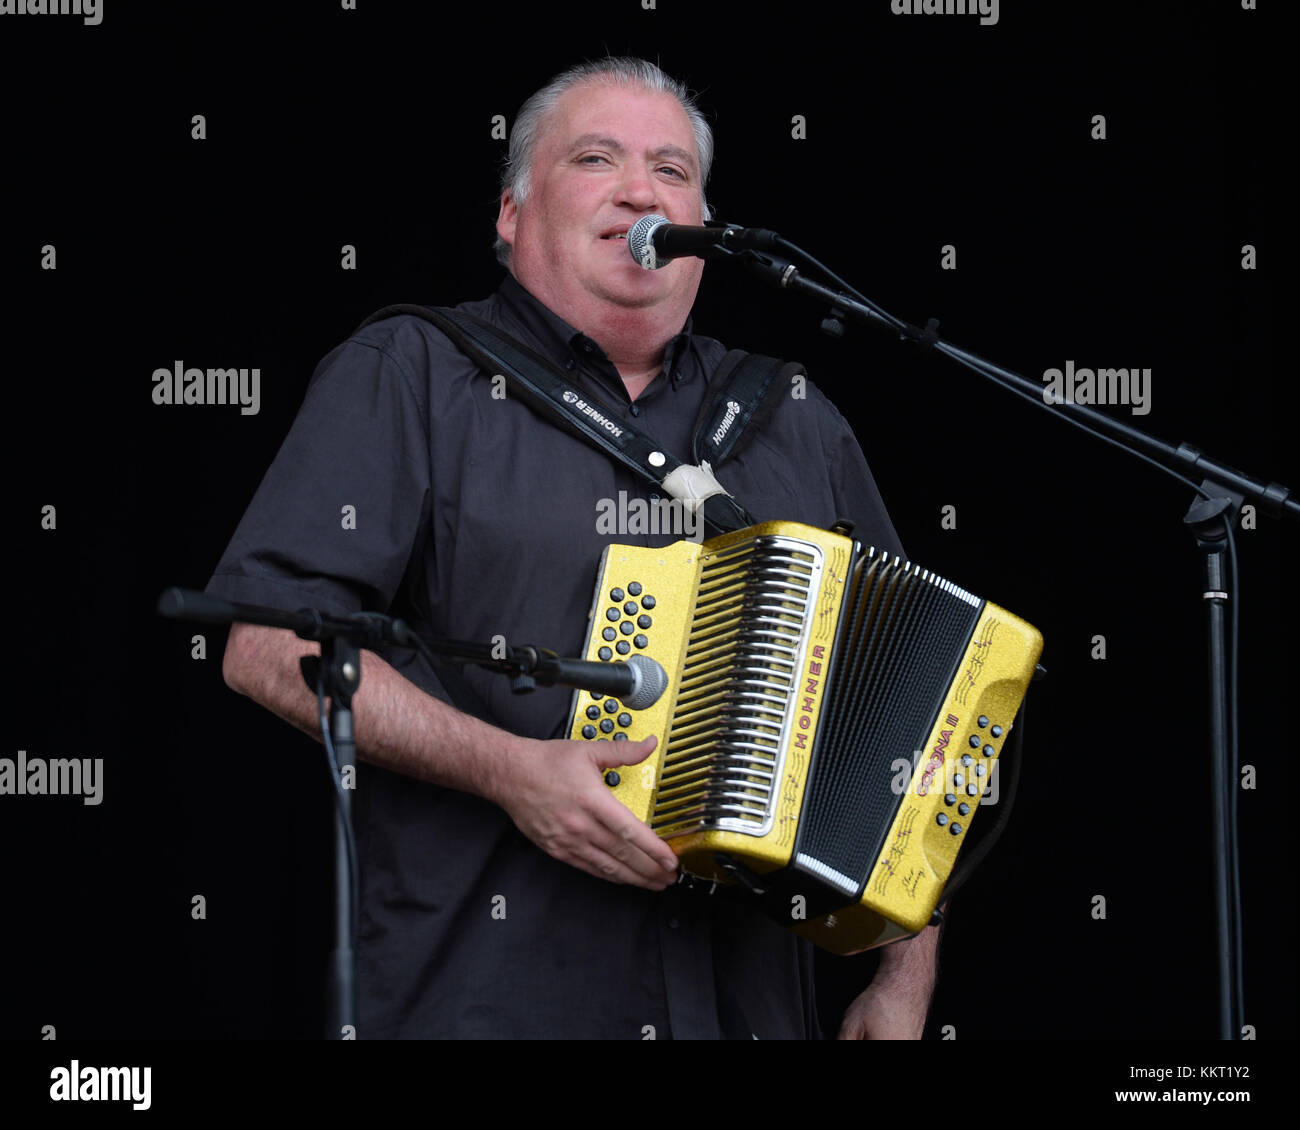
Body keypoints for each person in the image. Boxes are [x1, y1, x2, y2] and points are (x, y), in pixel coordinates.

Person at [210, 56, 941, 1039]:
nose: (641, 188)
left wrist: (905, 971)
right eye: (596, 158)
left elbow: (911, 697)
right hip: (486, 998)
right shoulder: (411, 370)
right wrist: (507, 766)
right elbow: (264, 643)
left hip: (746, 1010)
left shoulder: (793, 416)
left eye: (672, 171)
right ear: (511, 214)